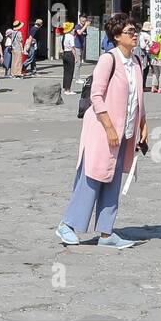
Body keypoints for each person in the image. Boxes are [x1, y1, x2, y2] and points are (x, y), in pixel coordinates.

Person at [55, 13, 147, 249]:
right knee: (93, 176)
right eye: (129, 31)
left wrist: (143, 126)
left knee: (112, 180)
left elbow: (138, 98)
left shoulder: (135, 62)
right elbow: (96, 95)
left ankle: (106, 232)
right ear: (117, 37)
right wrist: (108, 127)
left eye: (134, 30)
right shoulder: (109, 59)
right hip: (101, 129)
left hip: (124, 131)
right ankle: (68, 224)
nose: (134, 34)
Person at [60, 21, 77, 93]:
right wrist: (75, 57)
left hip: (65, 53)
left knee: (66, 72)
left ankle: (65, 88)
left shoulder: (63, 36)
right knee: (70, 72)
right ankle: (68, 89)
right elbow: (73, 48)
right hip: (70, 54)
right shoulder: (70, 36)